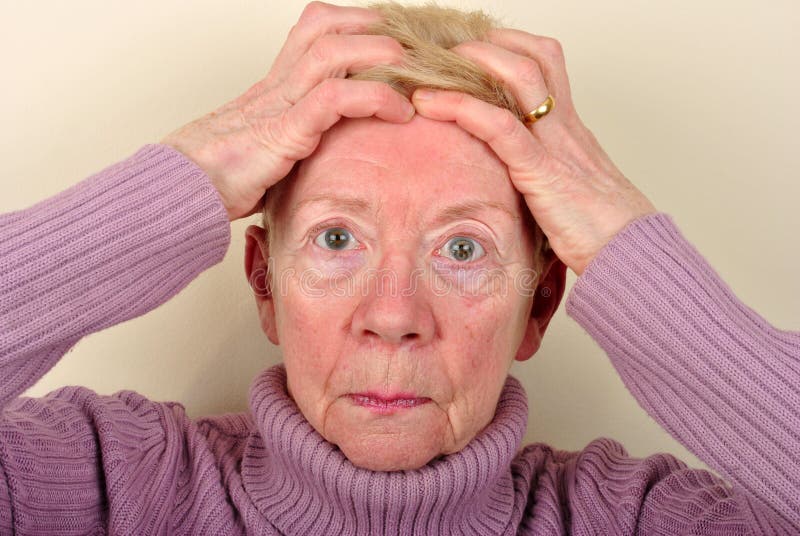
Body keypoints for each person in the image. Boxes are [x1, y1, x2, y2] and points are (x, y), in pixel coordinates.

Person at [1, 1, 798, 534]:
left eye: (462, 249)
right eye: (337, 239)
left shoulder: (639, 521)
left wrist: (622, 243)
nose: (393, 313)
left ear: (540, 302)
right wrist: (184, 181)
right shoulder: (105, 483)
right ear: (264, 286)